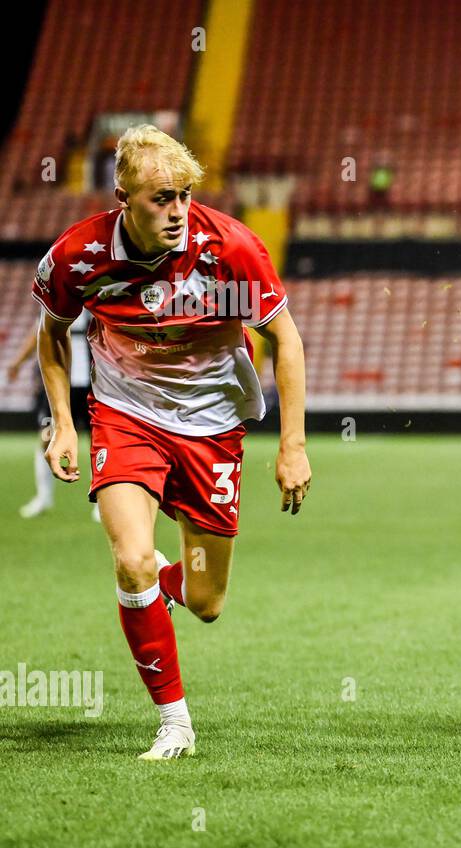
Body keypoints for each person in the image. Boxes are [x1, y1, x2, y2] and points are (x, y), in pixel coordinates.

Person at [33, 124, 311, 760]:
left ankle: (164, 576)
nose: (178, 211)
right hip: (125, 416)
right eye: (161, 198)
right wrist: (65, 423)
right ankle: (175, 724)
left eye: (185, 194)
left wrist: (292, 445)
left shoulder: (227, 251)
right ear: (124, 198)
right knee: (130, 559)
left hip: (212, 424)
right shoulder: (82, 257)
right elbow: (52, 331)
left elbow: (284, 339)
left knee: (207, 602)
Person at [7, 317, 99, 521]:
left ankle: (100, 502)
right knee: (46, 438)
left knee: (98, 441)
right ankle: (43, 497)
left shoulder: (94, 304)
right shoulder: (56, 302)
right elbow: (38, 335)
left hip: (90, 386)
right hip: (58, 389)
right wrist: (18, 363)